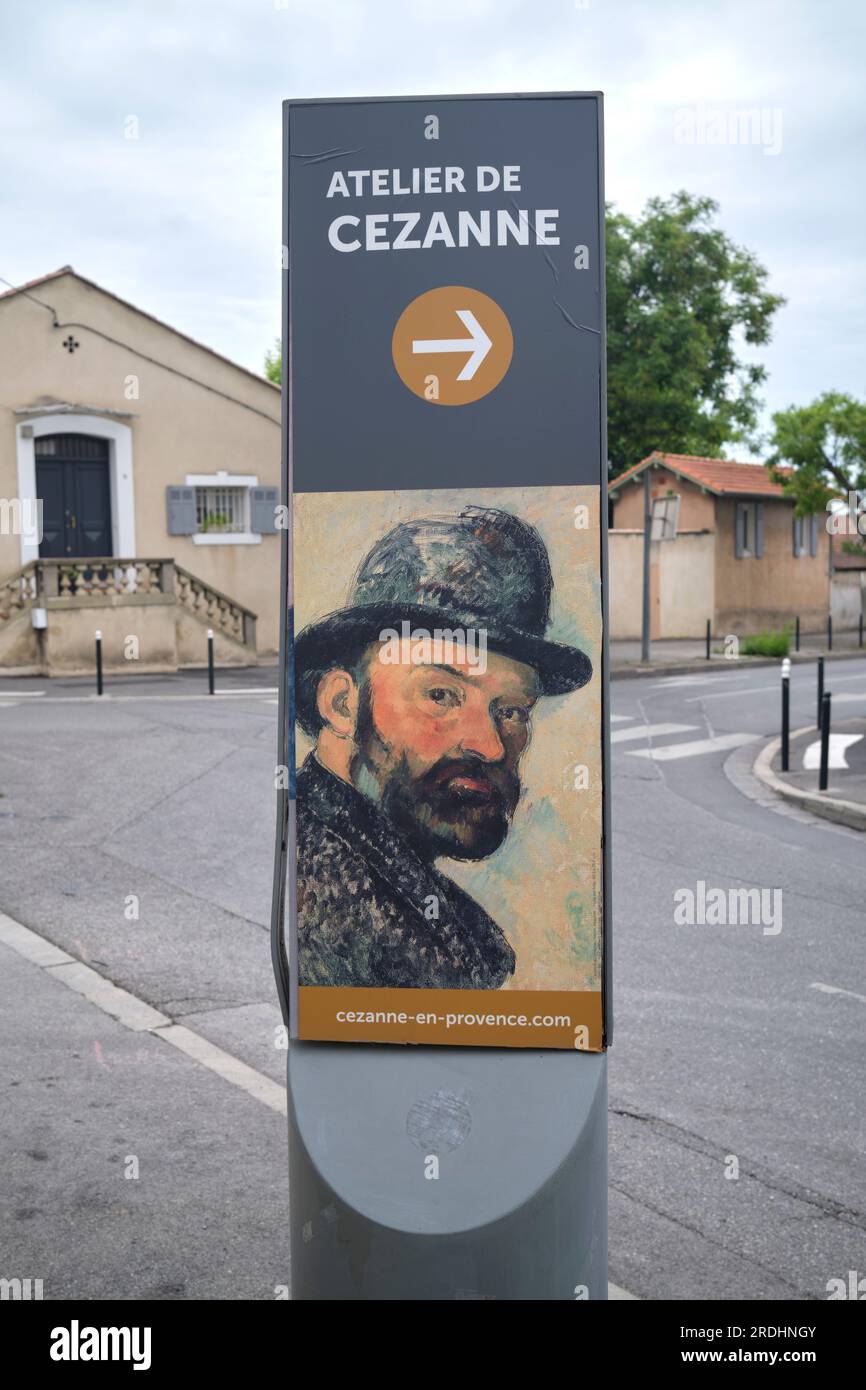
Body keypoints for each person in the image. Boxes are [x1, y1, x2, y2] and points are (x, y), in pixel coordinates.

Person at [293, 505, 592, 989]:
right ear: (342, 704)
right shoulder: (338, 901)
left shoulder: (384, 875)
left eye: (512, 710)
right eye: (441, 696)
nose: (491, 746)